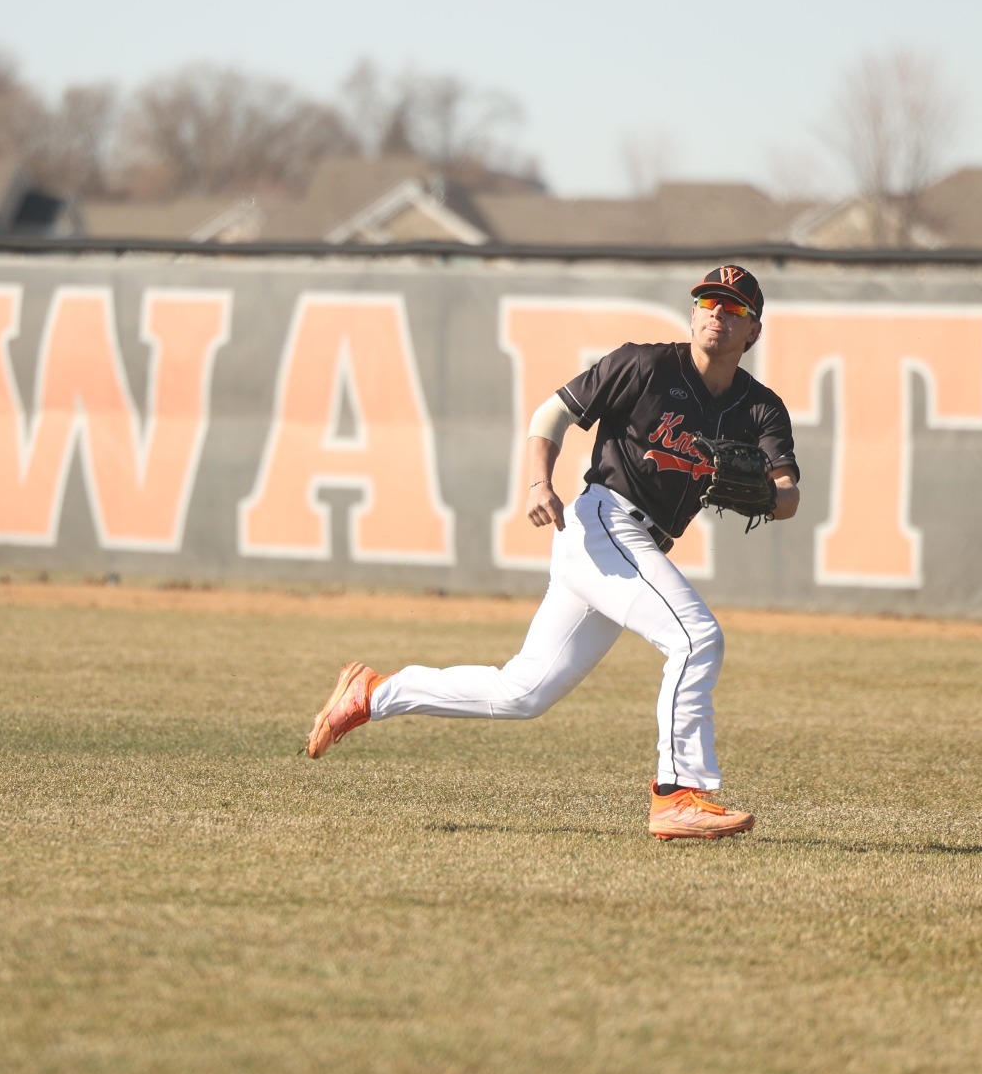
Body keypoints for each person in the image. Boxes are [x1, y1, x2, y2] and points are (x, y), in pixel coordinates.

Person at [304, 264, 801, 840]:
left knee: (523, 692)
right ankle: (678, 794)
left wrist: (768, 494)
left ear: (753, 332)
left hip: (631, 547)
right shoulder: (645, 365)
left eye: (733, 308)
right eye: (708, 301)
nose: (717, 313)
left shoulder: (760, 408)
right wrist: (540, 483)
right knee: (696, 637)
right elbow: (552, 414)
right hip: (603, 522)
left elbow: (788, 496)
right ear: (693, 313)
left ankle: (373, 693)